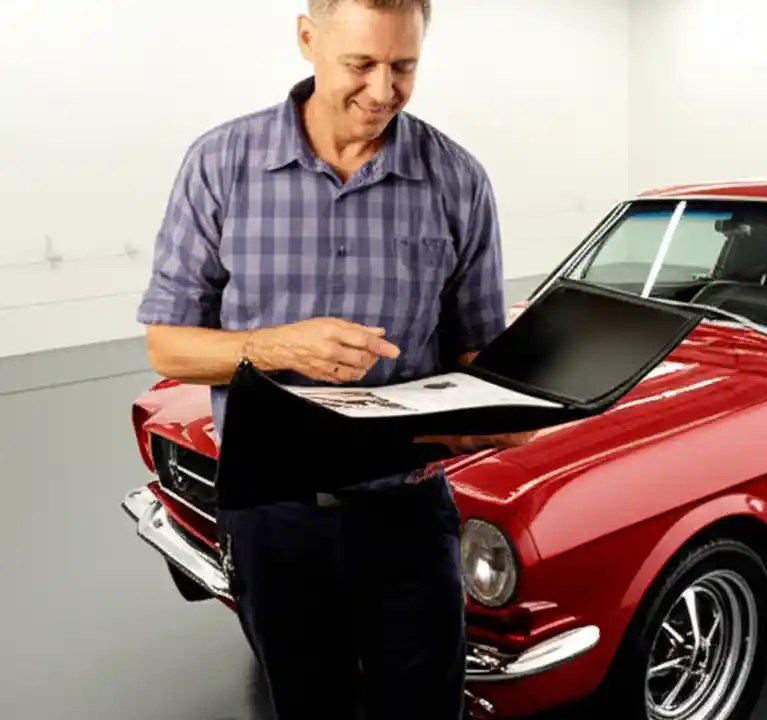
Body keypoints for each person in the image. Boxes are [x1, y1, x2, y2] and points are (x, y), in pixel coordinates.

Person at [136, 0, 532, 717]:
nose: (383, 91)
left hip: (409, 514)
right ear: (307, 39)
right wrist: (276, 347)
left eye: (404, 66)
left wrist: (516, 407)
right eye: (361, 65)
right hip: (270, 515)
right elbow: (167, 344)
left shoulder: (458, 181)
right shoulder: (220, 166)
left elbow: (479, 355)